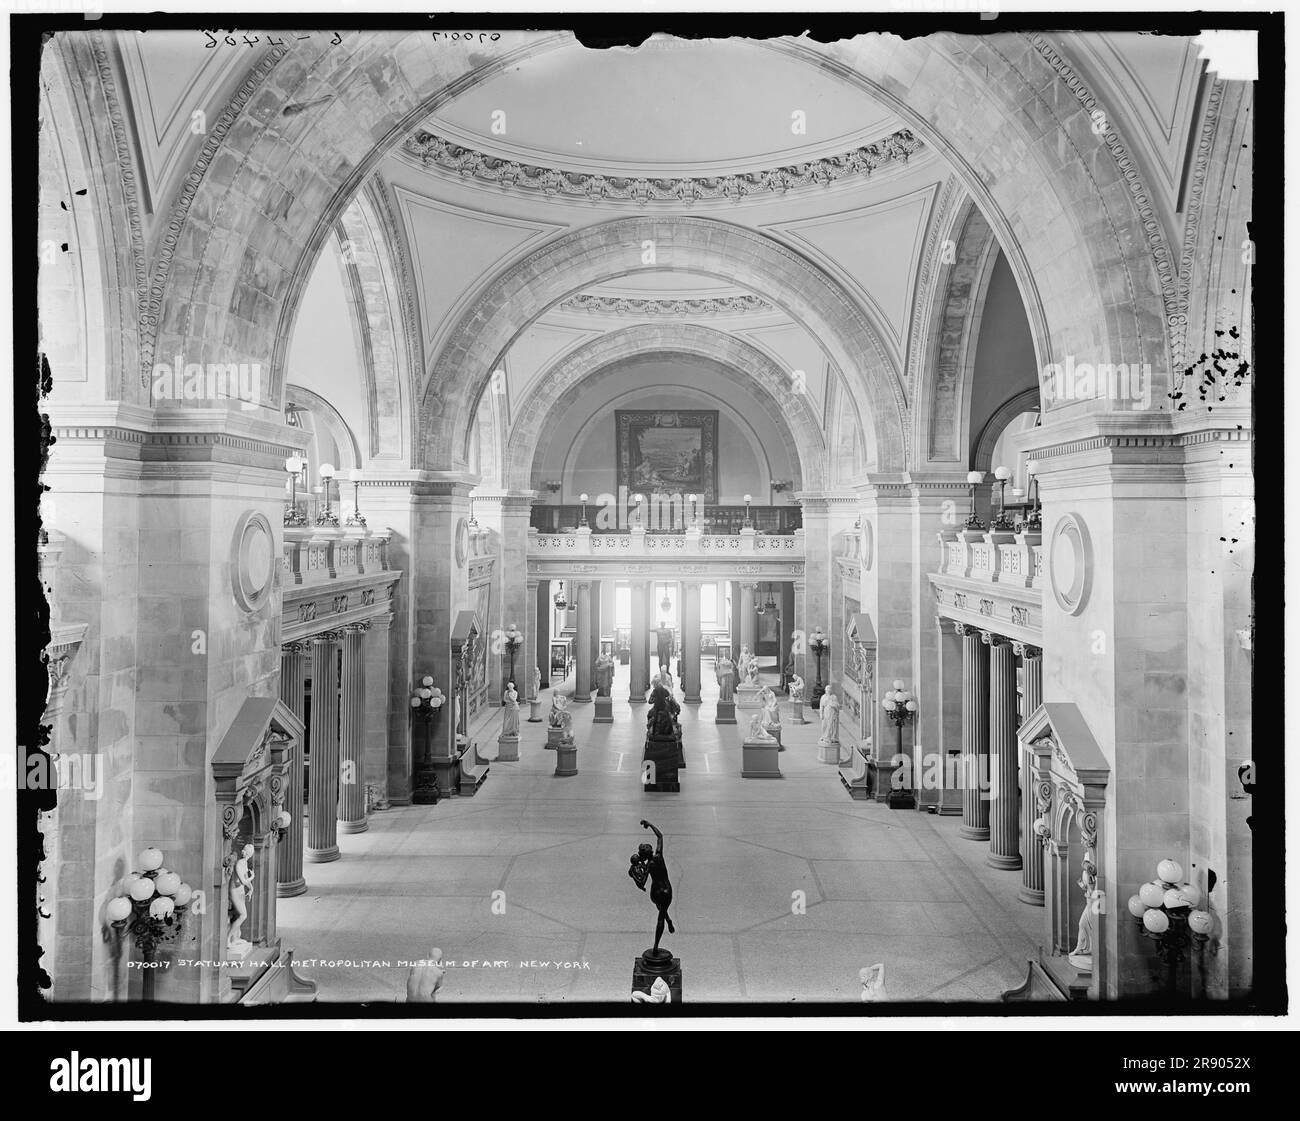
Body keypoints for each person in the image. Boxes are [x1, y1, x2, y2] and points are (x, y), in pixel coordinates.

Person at [628, 820, 675, 953]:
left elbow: (642, 882)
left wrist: (633, 874)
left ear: (644, 855)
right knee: (661, 910)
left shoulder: (648, 866)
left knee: (660, 916)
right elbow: (660, 836)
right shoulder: (659, 855)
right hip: (666, 891)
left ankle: (655, 947)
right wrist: (649, 825)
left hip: (656, 893)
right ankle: (669, 921)